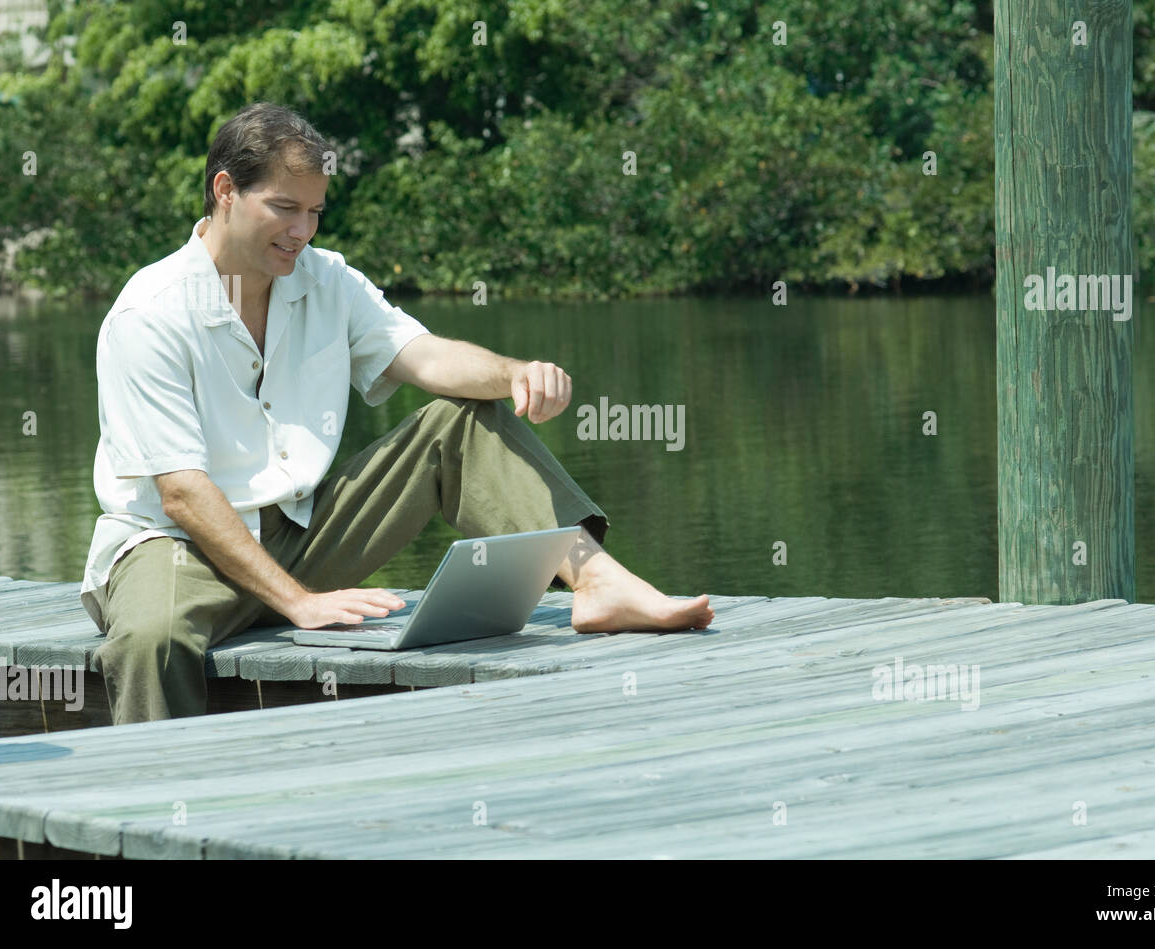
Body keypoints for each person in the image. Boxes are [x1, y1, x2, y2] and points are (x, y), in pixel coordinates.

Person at [80, 102, 713, 725]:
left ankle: (597, 582)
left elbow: (425, 356)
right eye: (285, 208)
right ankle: (165, 806)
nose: (302, 231)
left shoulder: (327, 280)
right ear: (226, 190)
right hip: (177, 549)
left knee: (460, 421)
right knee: (149, 642)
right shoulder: (151, 313)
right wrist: (299, 603)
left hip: (300, 532)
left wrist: (514, 374)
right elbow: (183, 494)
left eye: (315, 212)